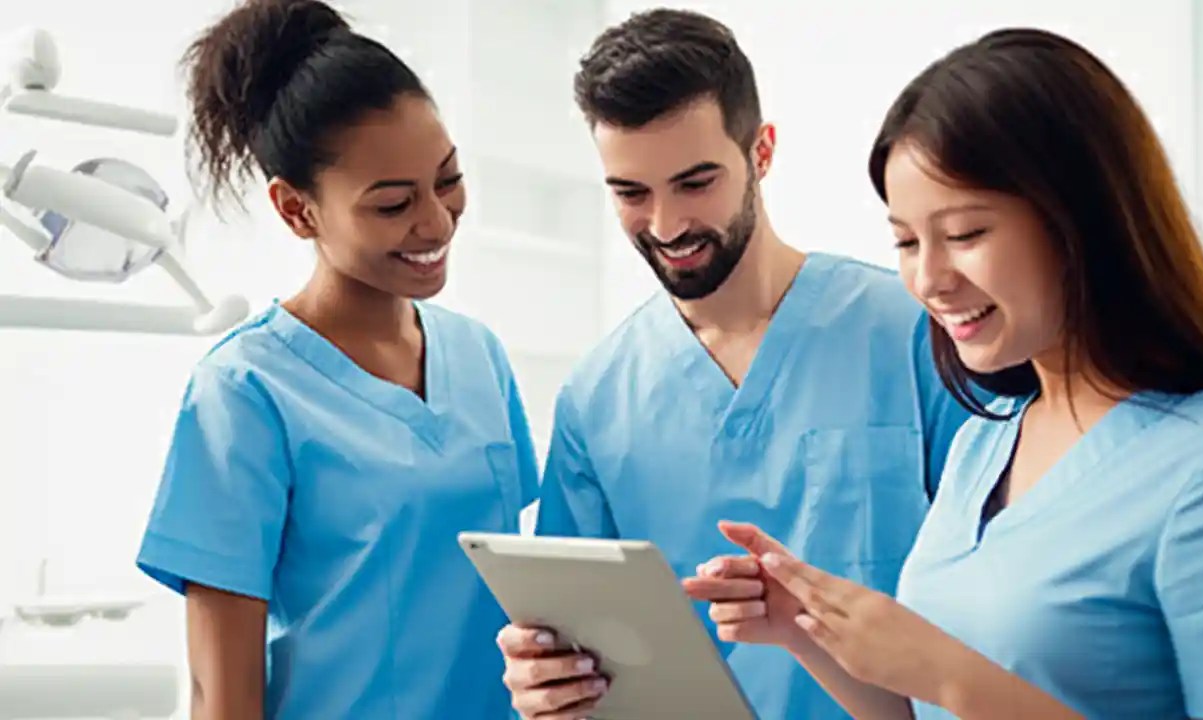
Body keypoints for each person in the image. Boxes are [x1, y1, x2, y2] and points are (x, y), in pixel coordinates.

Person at [687, 27, 1203, 720]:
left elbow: (954, 688)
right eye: (906, 242)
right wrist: (805, 630)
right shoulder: (985, 442)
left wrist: (946, 672)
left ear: (1080, 221)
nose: (929, 279)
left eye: (965, 235)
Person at [496, 9, 972, 720]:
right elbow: (582, 647)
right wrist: (548, 689)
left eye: (695, 182)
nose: (664, 226)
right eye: (631, 193)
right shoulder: (597, 399)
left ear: (762, 152)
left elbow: (998, 598)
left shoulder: (912, 335)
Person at [133, 1, 538, 717]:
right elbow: (220, 694)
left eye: (447, 180)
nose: (437, 221)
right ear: (297, 210)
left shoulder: (480, 358)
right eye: (393, 204)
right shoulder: (246, 392)